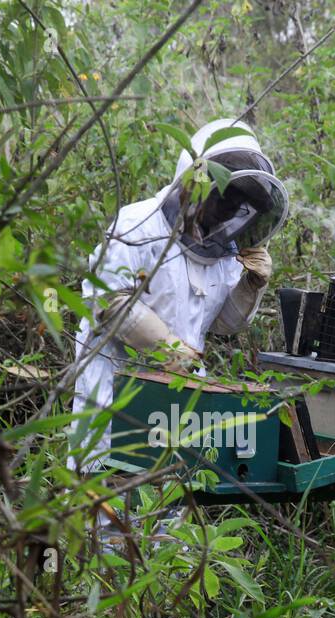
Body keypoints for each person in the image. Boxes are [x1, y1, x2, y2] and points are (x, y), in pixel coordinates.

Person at [68, 118, 288, 472]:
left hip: (179, 409)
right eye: (224, 197)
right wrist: (168, 349)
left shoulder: (223, 253)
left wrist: (250, 286)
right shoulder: (138, 223)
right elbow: (107, 300)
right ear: (197, 184)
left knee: (169, 510)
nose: (228, 210)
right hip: (114, 395)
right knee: (104, 509)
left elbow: (223, 324)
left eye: (238, 203)